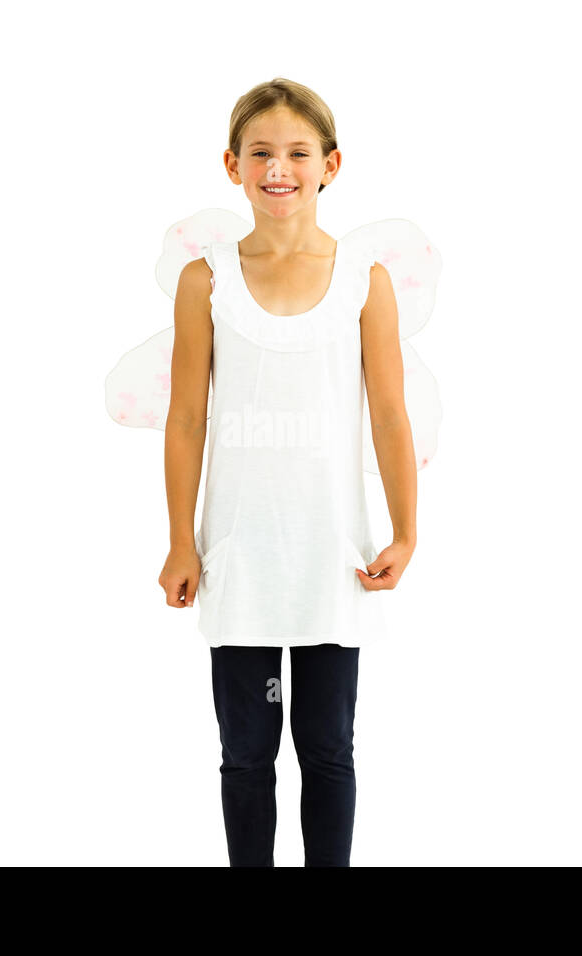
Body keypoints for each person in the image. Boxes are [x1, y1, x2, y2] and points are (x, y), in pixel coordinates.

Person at [158, 78, 419, 867]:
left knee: (328, 752)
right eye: (261, 153)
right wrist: (180, 540)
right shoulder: (206, 283)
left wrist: (407, 531)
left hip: (330, 559)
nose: (280, 168)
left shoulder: (363, 281)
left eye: (298, 153)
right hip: (240, 560)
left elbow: (388, 413)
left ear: (330, 165)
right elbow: (187, 417)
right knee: (246, 755)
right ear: (232, 165)